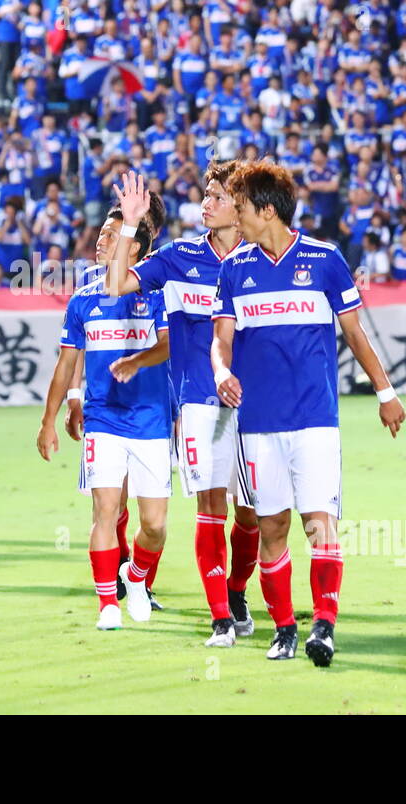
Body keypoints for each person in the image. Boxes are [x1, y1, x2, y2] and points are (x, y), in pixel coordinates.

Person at [210, 161, 405, 665]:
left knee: (320, 522)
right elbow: (221, 339)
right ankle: (283, 627)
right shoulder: (234, 269)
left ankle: (324, 623)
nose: (236, 216)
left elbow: (355, 334)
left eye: (241, 207)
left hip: (316, 420)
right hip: (256, 425)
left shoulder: (325, 259)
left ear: (266, 211)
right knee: (271, 527)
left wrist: (385, 394)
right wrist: (220, 372)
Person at [105, 164, 261, 646]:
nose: (205, 204)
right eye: (205, 196)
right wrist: (131, 224)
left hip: (259, 407)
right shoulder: (177, 257)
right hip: (200, 405)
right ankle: (220, 616)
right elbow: (115, 285)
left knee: (254, 513)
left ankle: (237, 590)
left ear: (240, 205)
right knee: (211, 506)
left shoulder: (262, 258)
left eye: (216, 196)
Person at [38, 206, 171, 631]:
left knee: (155, 526)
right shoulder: (82, 299)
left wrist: (137, 360)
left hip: (151, 420)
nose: (100, 240)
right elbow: (65, 364)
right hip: (104, 419)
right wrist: (48, 418)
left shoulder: (158, 293)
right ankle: (106, 605)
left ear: (136, 247)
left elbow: (169, 347)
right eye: (101, 233)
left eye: (112, 235)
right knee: (106, 512)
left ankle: (134, 578)